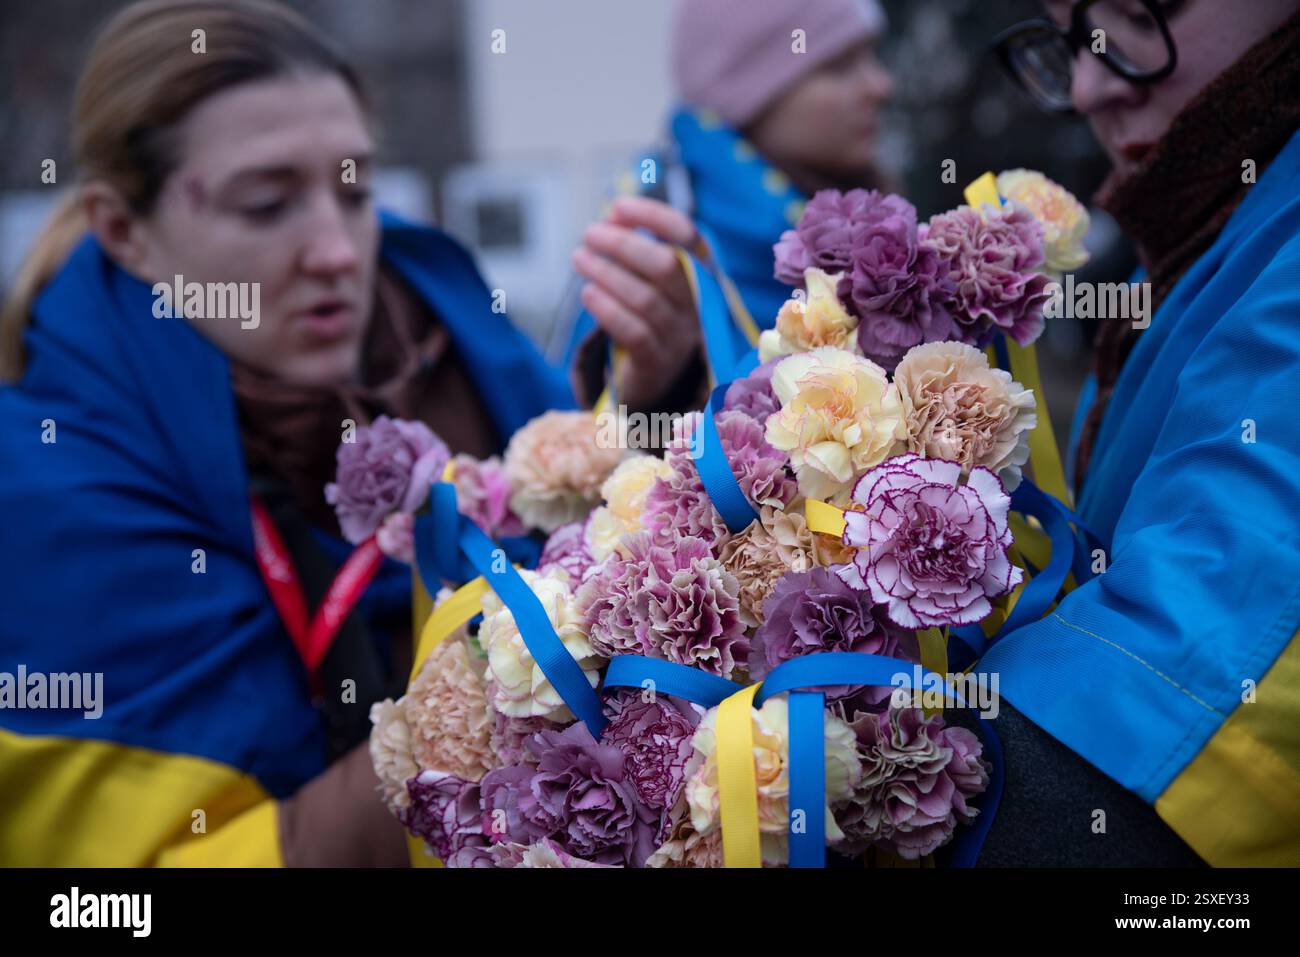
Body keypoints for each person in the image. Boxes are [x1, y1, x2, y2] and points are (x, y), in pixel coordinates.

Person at [573, 0, 1300, 866]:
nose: (1087, 82)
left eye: (1139, 14)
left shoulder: (1221, 227)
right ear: (751, 97)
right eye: (837, 65)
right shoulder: (1208, 222)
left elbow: (1200, 663)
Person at [0, 0, 572, 866]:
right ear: (123, 231)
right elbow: (112, 902)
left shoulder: (471, 357)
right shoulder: (47, 493)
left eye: (355, 191)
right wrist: (484, 738)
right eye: (268, 204)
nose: (337, 251)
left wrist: (650, 396)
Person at [567, 0, 894, 410]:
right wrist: (659, 390)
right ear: (752, 94)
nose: (881, 86)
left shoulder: (876, 227)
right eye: (839, 66)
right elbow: (580, 437)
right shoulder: (662, 242)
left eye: (871, 56)